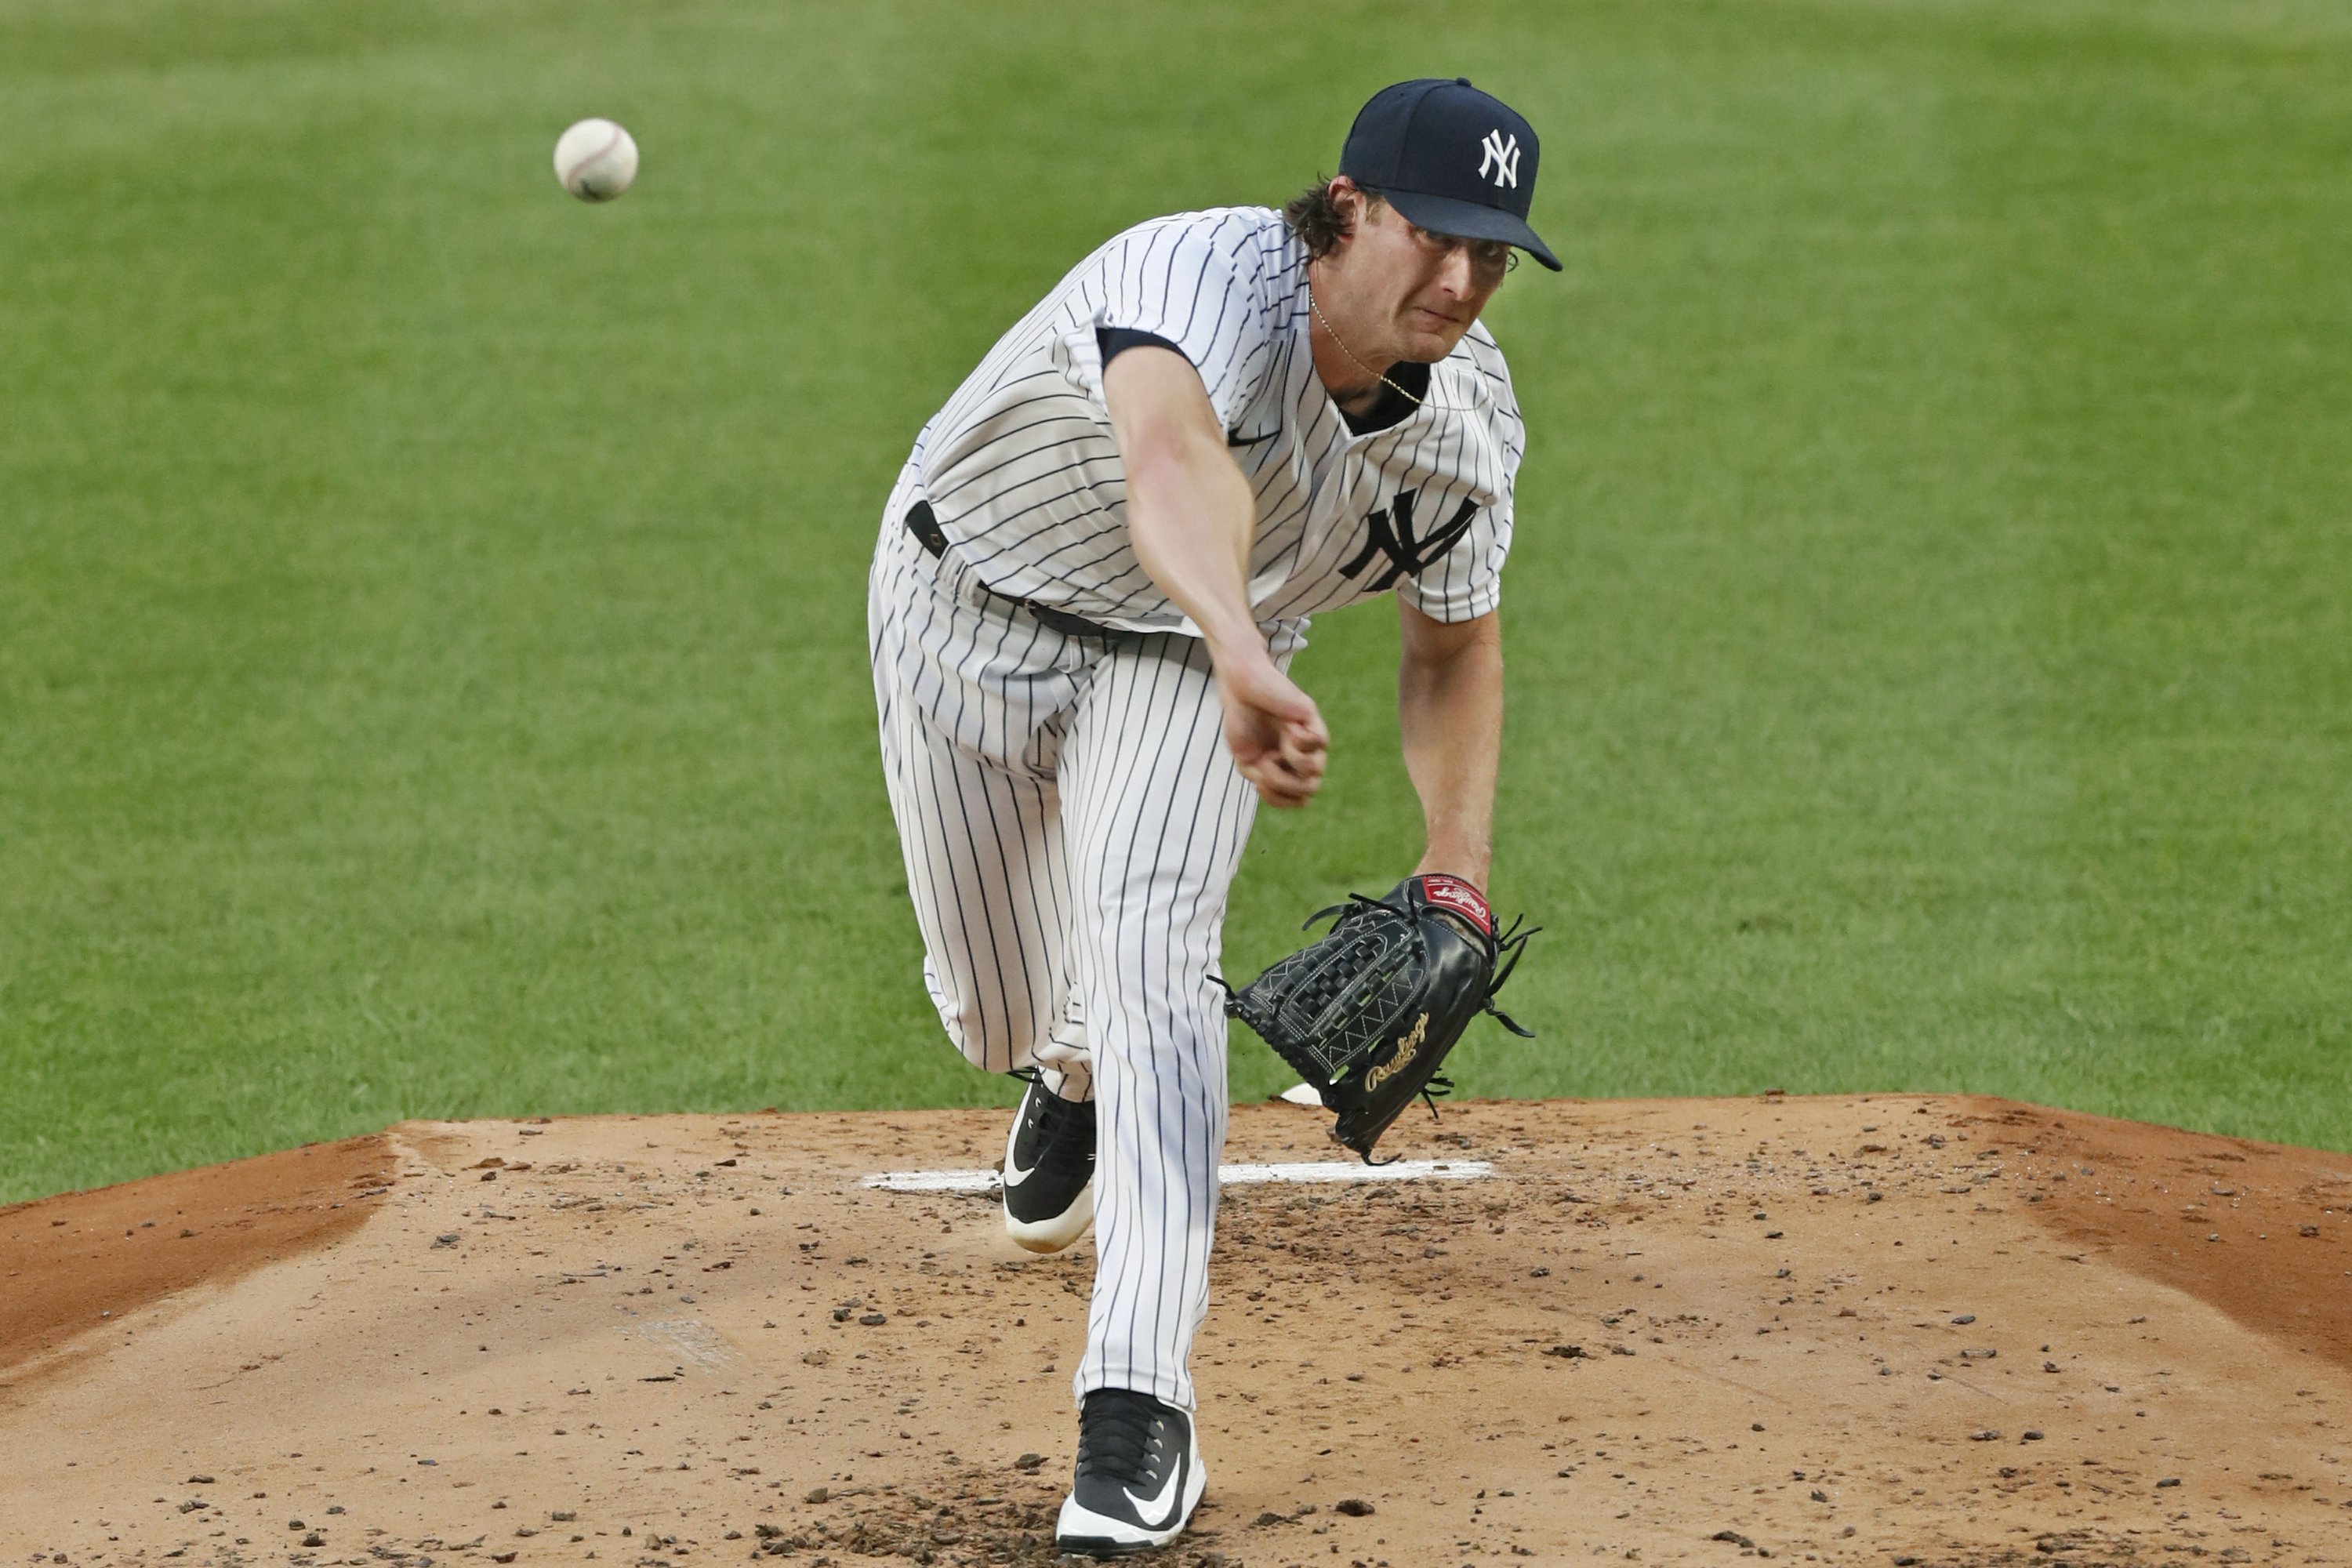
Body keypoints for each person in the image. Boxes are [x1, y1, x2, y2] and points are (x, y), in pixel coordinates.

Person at [866, 77, 1557, 1558]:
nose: (1460, 281)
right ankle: (1063, 1072)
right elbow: (1174, 465)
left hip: (1188, 672)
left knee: (1157, 969)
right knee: (996, 1011)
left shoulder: (1467, 434)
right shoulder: (1194, 282)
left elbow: (1453, 649)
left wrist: (1457, 871)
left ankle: (1136, 1410)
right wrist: (1246, 637)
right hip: (966, 602)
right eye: (1434, 239)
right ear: (1345, 211)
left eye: (1492, 256)